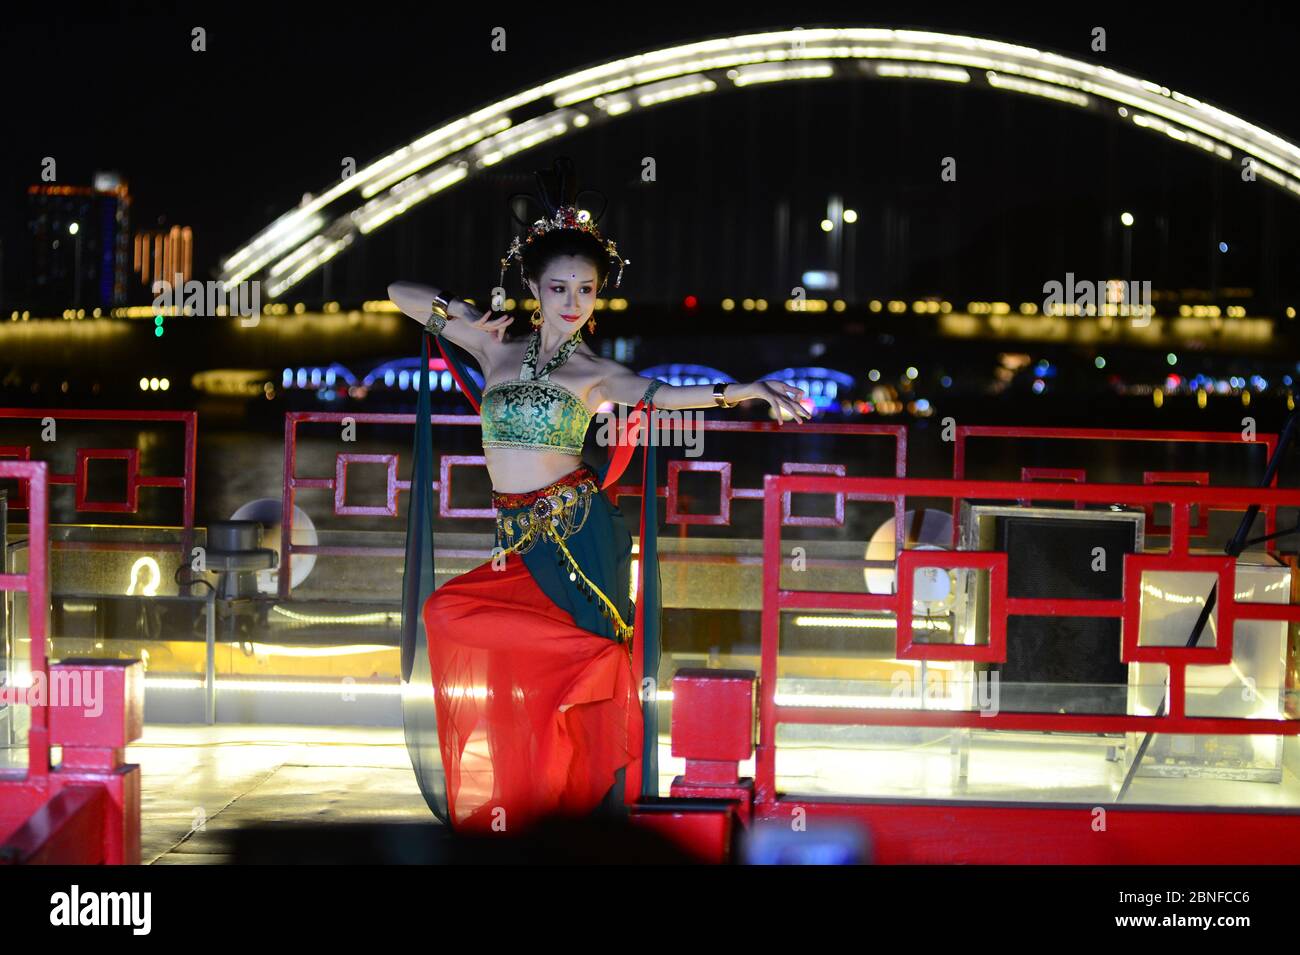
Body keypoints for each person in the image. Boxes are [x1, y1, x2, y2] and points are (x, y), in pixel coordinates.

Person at [389, 156, 810, 835]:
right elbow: (397, 289)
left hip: (573, 542)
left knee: (571, 676)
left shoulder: (597, 371)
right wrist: (460, 314)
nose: (573, 301)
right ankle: (525, 818)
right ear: (531, 284)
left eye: (585, 288)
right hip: (513, 547)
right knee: (452, 620)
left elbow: (670, 395)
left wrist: (747, 388)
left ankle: (566, 817)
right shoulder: (493, 347)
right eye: (558, 286)